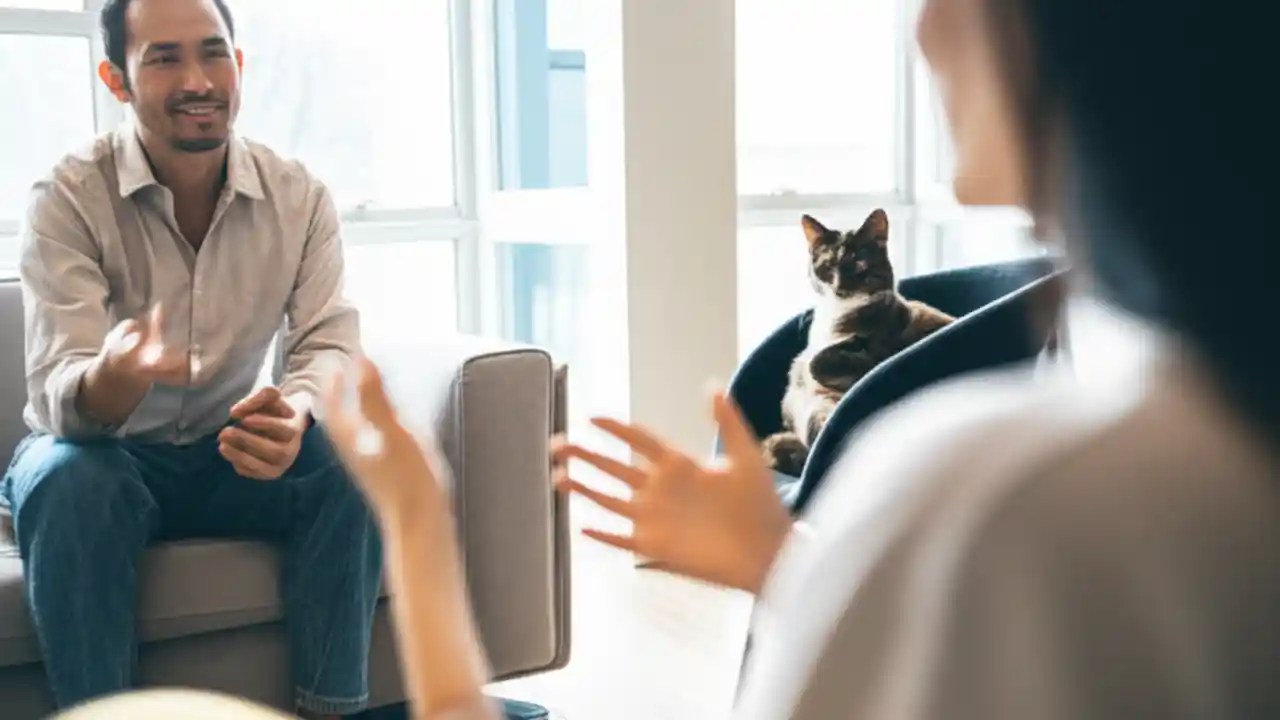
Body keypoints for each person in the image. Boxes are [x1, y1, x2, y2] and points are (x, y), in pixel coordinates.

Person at [317, 0, 1280, 718]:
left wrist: (417, 530)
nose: (924, 31)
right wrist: (790, 563)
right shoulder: (1206, 436)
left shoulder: (1004, 500)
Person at [0, 0, 382, 717]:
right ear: (117, 80)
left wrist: (294, 413)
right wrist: (116, 377)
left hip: (227, 452)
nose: (197, 79)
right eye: (164, 58)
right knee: (71, 477)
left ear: (238, 66)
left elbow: (327, 341)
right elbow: (61, 394)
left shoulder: (299, 197)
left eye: (212, 53)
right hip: (105, 454)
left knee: (355, 452)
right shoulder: (68, 197)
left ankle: (333, 709)